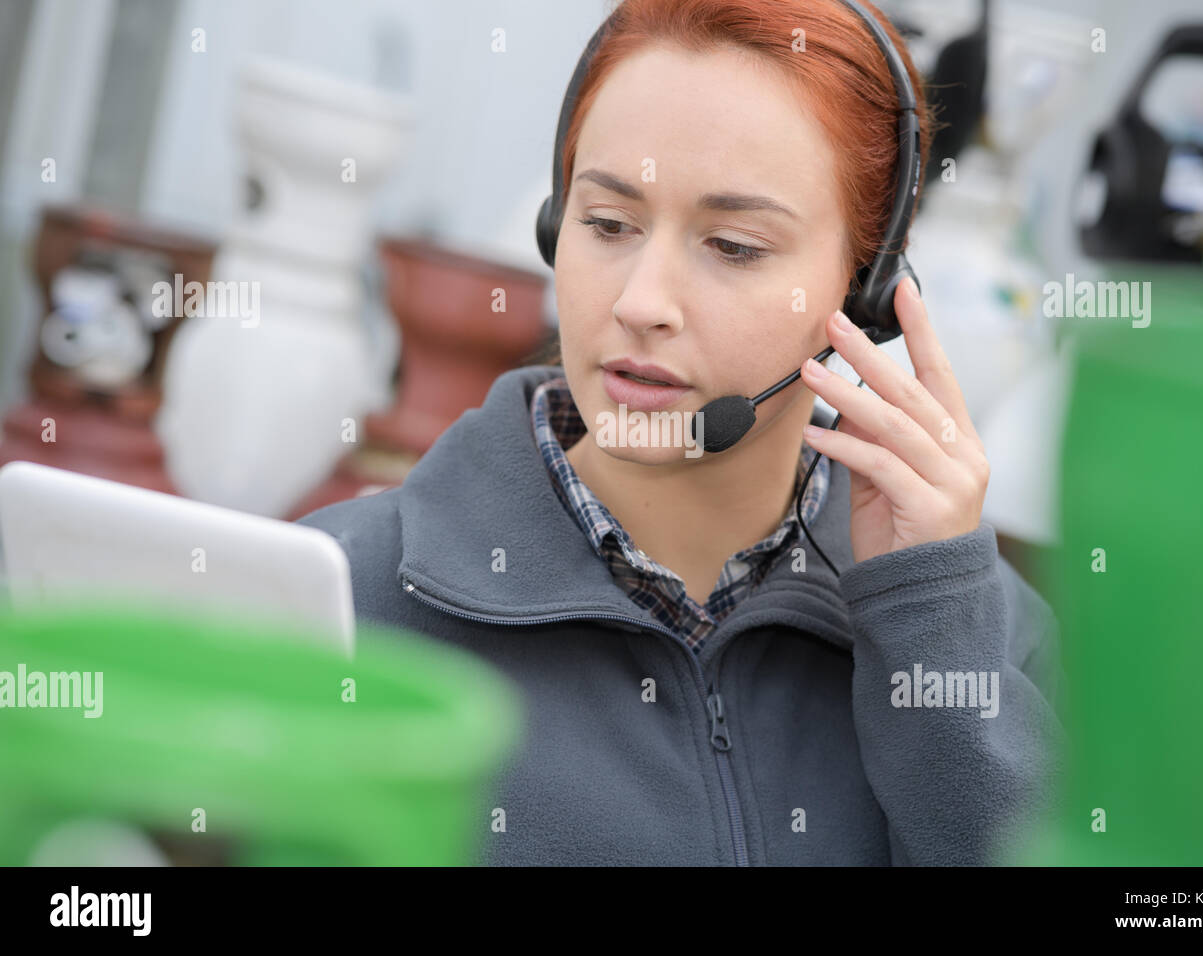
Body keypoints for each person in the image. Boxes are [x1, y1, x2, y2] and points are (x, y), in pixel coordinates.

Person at [298, 0, 1066, 866]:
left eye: (734, 246)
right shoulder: (327, 598)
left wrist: (929, 641)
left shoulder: (988, 637)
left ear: (867, 287)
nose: (639, 303)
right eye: (608, 224)